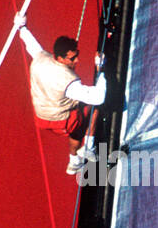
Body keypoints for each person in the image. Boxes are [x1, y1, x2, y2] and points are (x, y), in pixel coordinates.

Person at [14, 13, 106, 173]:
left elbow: (32, 45)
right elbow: (98, 97)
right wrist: (101, 70)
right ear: (61, 58)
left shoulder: (41, 58)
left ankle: (75, 161)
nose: (77, 61)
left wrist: (22, 27)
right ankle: (88, 150)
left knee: (80, 115)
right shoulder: (68, 81)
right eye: (72, 58)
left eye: (76, 55)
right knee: (91, 111)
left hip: (42, 114)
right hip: (58, 120)